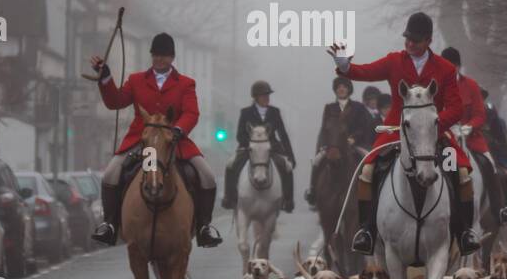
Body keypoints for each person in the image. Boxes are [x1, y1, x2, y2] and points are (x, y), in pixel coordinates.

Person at [329, 11, 480, 256]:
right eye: (408, 38)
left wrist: (431, 125)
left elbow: (456, 107)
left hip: (435, 132)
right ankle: (367, 230)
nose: (410, 43)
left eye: (416, 40)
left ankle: (464, 231)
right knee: (368, 169)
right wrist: (344, 65)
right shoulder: (394, 61)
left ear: (429, 41)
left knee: (461, 171)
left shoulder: (445, 68)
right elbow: (365, 71)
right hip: (395, 131)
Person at [89, 32, 222, 248]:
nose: (160, 59)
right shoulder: (136, 80)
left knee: (207, 176)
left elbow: (191, 113)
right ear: (151, 55)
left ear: (172, 58)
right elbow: (115, 102)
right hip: (143, 143)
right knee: (111, 174)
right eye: (156, 55)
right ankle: (110, 224)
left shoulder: (186, 84)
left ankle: (204, 227)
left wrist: (178, 130)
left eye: (165, 55)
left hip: (174, 141)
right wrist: (105, 77)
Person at [441, 47, 507, 225]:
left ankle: (500, 209)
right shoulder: (436, 87)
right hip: (446, 139)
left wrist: (468, 127)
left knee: (490, 165)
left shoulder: (471, 85)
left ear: (458, 67)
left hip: (472, 139)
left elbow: (480, 114)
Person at [222, 80, 296, 212]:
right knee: (230, 164)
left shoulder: (275, 112)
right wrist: (252, 144)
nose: (267, 98)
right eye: (263, 95)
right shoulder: (246, 112)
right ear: (256, 97)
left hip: (272, 148)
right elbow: (240, 134)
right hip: (250, 148)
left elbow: (283, 134)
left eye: (268, 95)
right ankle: (229, 197)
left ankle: (288, 200)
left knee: (287, 167)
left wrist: (290, 155)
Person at [305, 76, 374, 206]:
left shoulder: (358, 107)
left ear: (349, 89)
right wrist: (325, 145)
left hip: (354, 144)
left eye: (344, 87)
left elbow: (363, 126)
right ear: (335, 90)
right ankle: (313, 192)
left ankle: (368, 194)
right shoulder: (329, 108)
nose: (341, 89)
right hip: (333, 145)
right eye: (338, 87)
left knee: (367, 161)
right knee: (317, 161)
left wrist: (354, 138)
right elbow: (325, 128)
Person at [480, 88, 507, 170]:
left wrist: (504, 163)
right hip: (473, 146)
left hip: (492, 148)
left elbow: (500, 136)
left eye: (480, 97)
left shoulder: (490, 111)